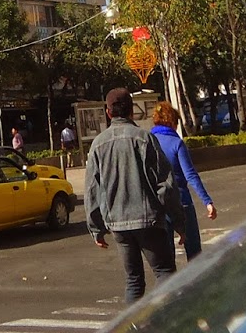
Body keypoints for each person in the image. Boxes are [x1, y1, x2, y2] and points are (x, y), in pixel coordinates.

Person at [86, 87, 180, 303]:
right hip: (149, 220)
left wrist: (96, 228)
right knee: (165, 272)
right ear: (132, 111)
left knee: (133, 281)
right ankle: (165, 321)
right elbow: (166, 184)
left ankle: (134, 325)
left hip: (118, 224)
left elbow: (92, 190)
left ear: (108, 113)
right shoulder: (145, 139)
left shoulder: (98, 144)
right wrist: (178, 222)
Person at [148, 101, 217, 261]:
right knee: (194, 252)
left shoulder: (148, 143)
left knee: (166, 257)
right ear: (172, 121)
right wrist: (207, 201)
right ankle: (195, 284)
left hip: (158, 205)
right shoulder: (176, 143)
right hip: (182, 203)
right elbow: (190, 175)